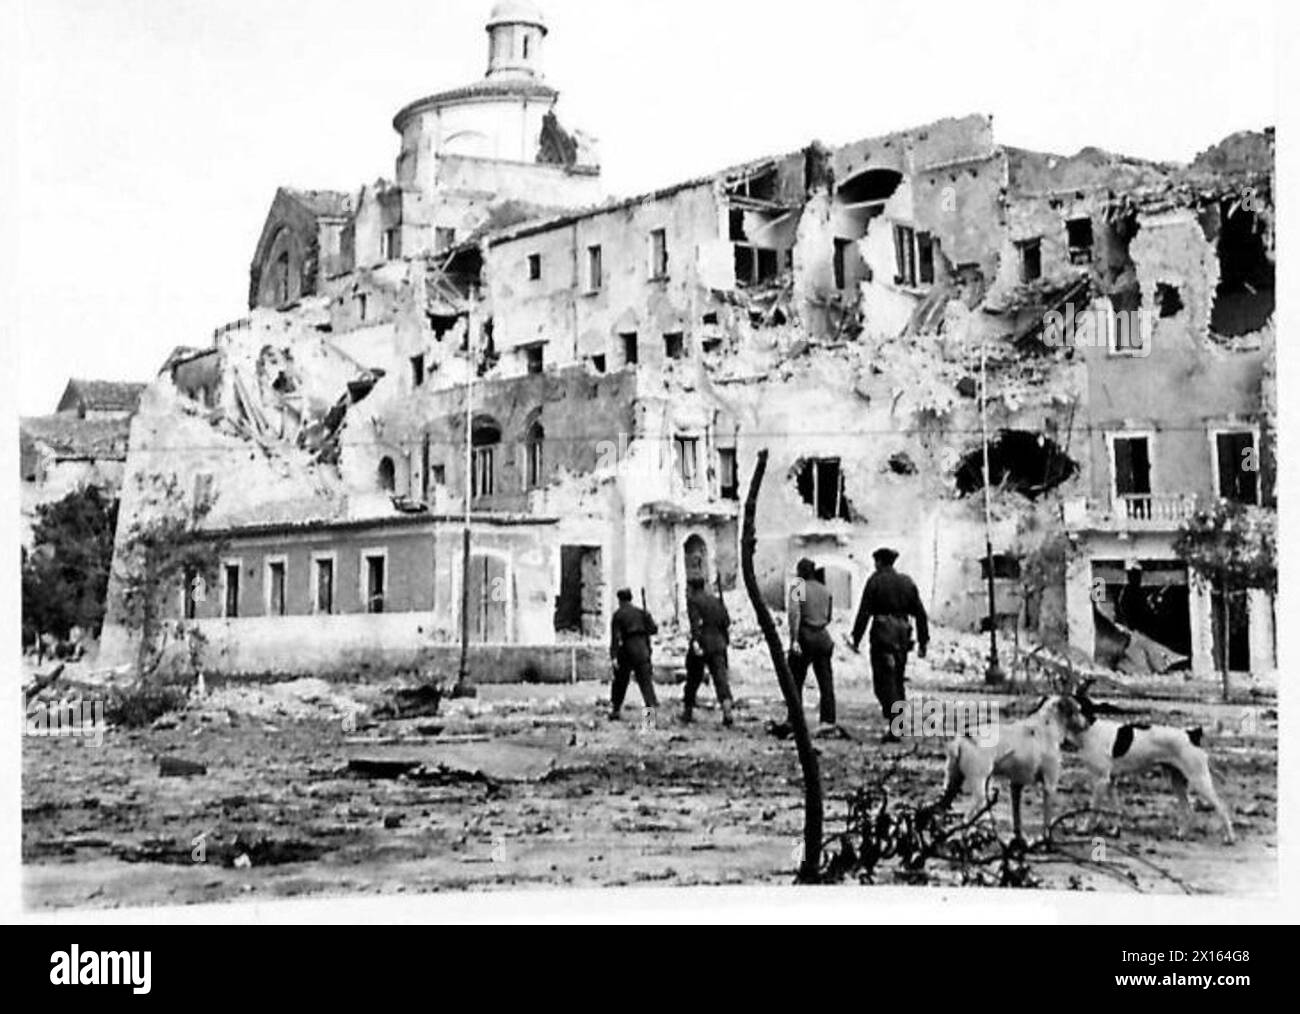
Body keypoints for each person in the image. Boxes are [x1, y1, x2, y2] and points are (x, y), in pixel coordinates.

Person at [851, 548, 929, 742]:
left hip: (883, 634)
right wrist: (923, 641)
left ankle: (895, 724)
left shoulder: (875, 581)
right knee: (897, 680)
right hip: (902, 635)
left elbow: (864, 611)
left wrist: (856, 637)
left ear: (879, 562)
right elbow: (920, 613)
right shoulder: (907, 582)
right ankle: (898, 722)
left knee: (883, 682)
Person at [788, 558, 837, 728]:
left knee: (795, 679)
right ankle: (828, 720)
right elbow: (829, 616)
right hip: (823, 636)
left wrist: (794, 639)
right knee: (826, 682)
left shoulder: (798, 586)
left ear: (801, 572)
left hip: (805, 634)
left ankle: (794, 718)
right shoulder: (825, 590)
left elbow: (794, 613)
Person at [683, 577, 734, 726]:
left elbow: (695, 623)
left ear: (691, 588)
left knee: (693, 678)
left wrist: (696, 642)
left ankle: (687, 711)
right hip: (719, 644)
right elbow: (726, 621)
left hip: (703, 643)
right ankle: (727, 710)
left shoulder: (693, 601)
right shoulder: (716, 600)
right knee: (721, 679)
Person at [609, 588, 659, 722]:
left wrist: (613, 656)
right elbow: (654, 629)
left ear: (620, 600)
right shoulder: (641, 613)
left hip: (627, 650)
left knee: (620, 682)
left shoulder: (618, 615)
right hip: (643, 649)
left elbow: (615, 638)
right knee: (646, 685)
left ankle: (615, 711)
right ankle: (650, 721)